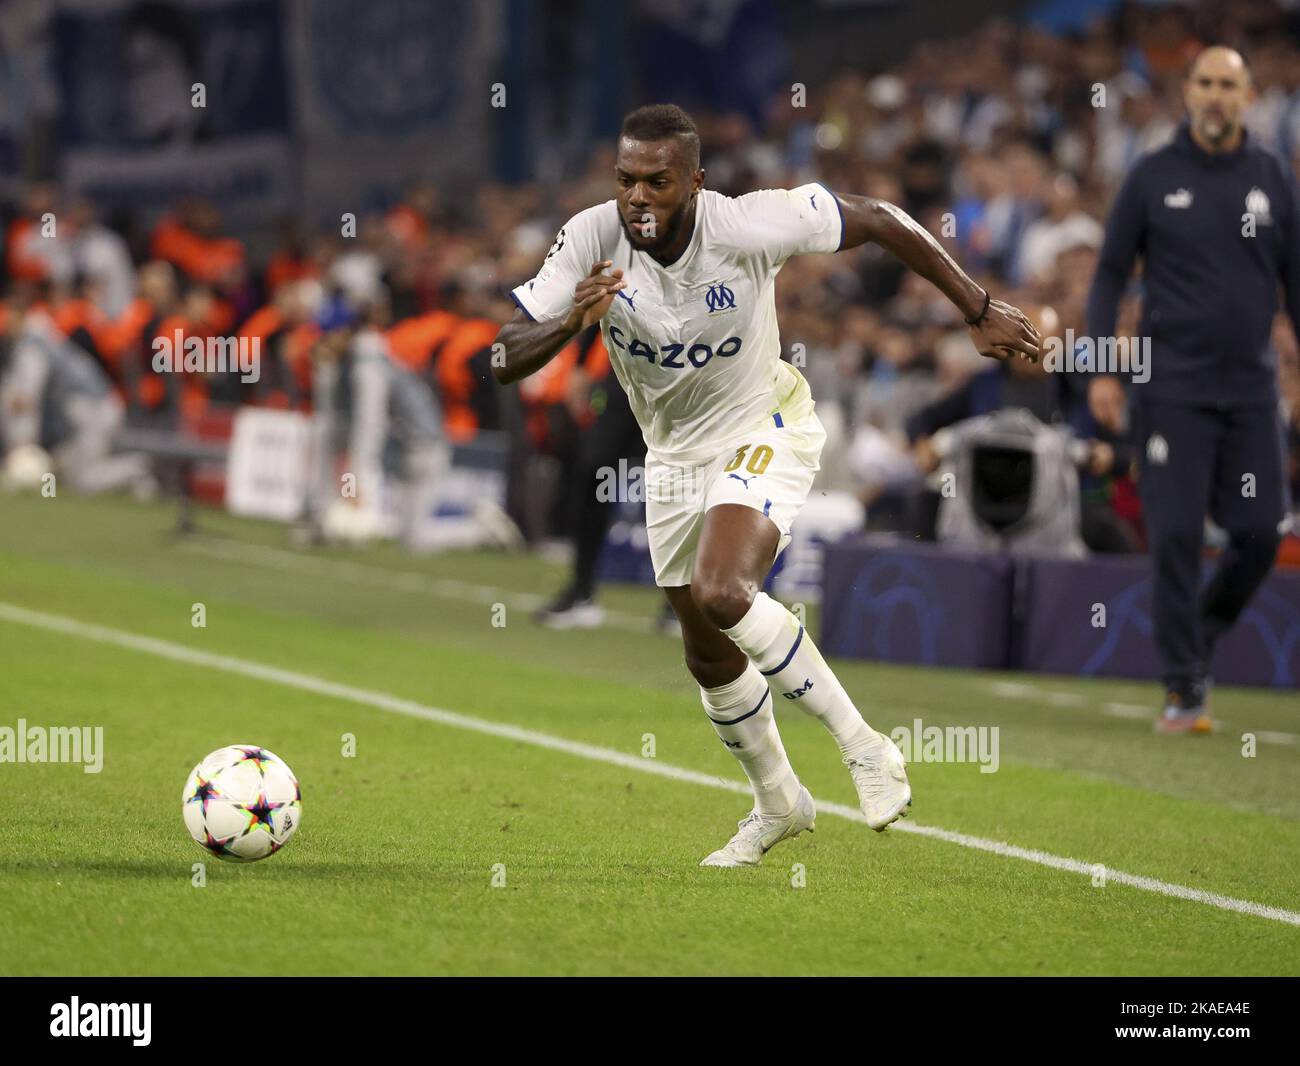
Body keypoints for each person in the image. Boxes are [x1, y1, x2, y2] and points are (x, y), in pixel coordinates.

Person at [493, 104, 1040, 867]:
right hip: (673, 456)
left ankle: (865, 747)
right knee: (705, 651)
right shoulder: (591, 237)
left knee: (724, 592)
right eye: (626, 180)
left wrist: (976, 308)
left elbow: (879, 218)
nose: (638, 197)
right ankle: (779, 801)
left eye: (657, 181)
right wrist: (569, 322)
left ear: (695, 182)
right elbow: (500, 355)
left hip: (764, 423)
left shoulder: (750, 224)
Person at [1086, 47, 1300, 735]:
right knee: (1175, 535)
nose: (1216, 96)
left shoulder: (1272, 175)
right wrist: (1101, 370)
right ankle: (1184, 688)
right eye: (1205, 83)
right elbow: (1108, 275)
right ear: (1187, 92)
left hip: (1250, 391)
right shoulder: (1153, 175)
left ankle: (1199, 634)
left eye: (1229, 85)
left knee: (1261, 533)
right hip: (1170, 389)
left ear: (1247, 95)